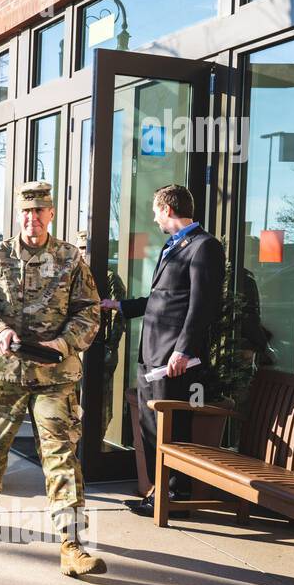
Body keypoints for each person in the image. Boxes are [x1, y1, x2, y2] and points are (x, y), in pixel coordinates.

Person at [0, 180, 105, 577]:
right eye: (27, 211)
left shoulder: (70, 258)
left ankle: (71, 543)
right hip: (4, 370)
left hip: (54, 373)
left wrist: (65, 341)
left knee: (61, 454)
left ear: (52, 213)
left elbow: (89, 311)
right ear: (19, 214)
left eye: (40, 210)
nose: (33, 218)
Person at [100, 184, 224, 517]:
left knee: (172, 430)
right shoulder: (173, 246)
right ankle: (158, 493)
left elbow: (202, 305)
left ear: (167, 209)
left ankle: (174, 497)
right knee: (151, 429)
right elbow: (163, 299)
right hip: (153, 354)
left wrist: (183, 350)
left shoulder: (204, 247)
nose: (154, 219)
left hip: (174, 360)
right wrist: (121, 305)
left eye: (156, 211)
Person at [76, 229, 126, 436]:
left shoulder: (109, 278)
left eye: (87, 248)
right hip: (73, 350)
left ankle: (95, 443)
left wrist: (110, 346)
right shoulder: (70, 275)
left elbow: (119, 315)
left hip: (100, 348)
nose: (83, 253)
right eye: (80, 248)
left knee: (101, 404)